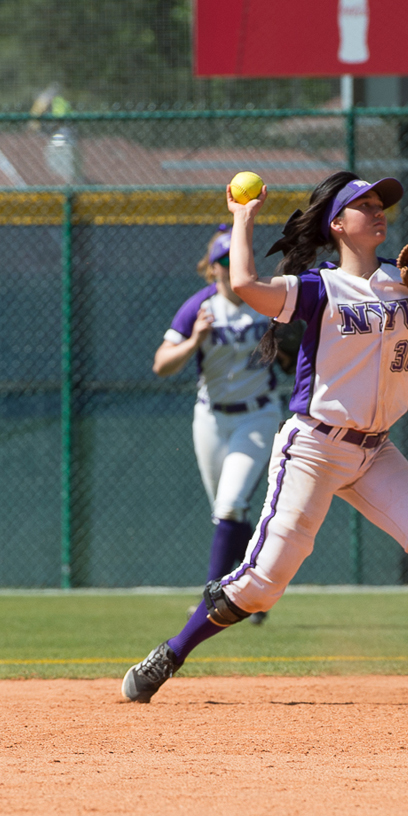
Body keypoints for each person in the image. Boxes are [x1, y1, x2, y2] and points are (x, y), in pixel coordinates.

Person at [122, 172, 408, 705]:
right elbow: (250, 287)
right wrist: (242, 218)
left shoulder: (407, 284)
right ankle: (171, 652)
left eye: (380, 204)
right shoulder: (317, 287)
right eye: (363, 205)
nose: (377, 211)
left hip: (377, 451)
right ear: (337, 225)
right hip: (314, 448)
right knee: (261, 587)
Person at [154, 225, 282, 622]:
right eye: (222, 261)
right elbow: (161, 364)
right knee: (228, 512)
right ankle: (251, 598)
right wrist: (194, 339)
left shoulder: (264, 300)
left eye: (234, 259)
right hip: (210, 418)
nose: (228, 267)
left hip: (258, 415)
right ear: (211, 269)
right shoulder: (200, 307)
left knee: (230, 506)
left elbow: (298, 344)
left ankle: (212, 599)